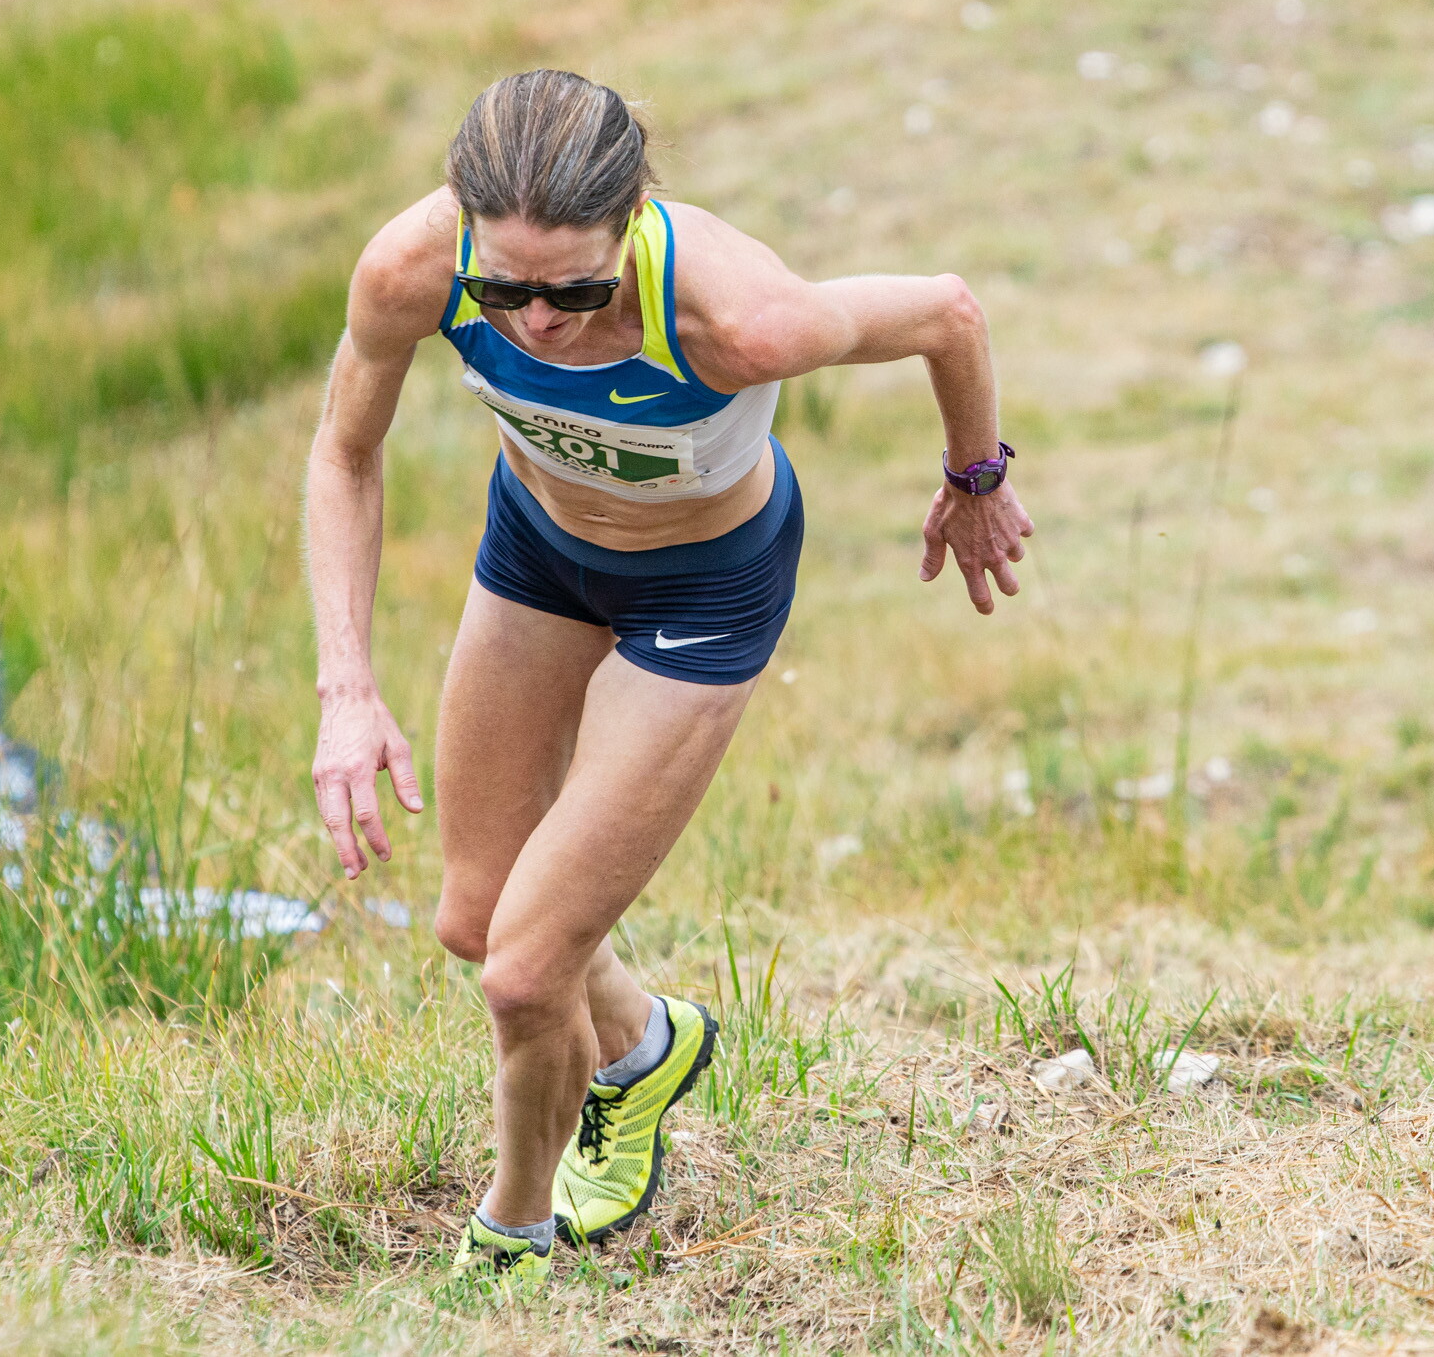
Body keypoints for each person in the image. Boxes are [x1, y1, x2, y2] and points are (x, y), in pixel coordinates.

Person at [303, 69, 1032, 1287]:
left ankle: (513, 1236)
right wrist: (346, 685)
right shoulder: (411, 271)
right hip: (534, 553)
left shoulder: (740, 320)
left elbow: (948, 312)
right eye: (505, 289)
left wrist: (976, 479)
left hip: (700, 595)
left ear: (633, 221)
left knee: (527, 973)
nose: (535, 322)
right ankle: (643, 1051)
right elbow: (343, 450)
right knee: (474, 924)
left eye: (574, 291)